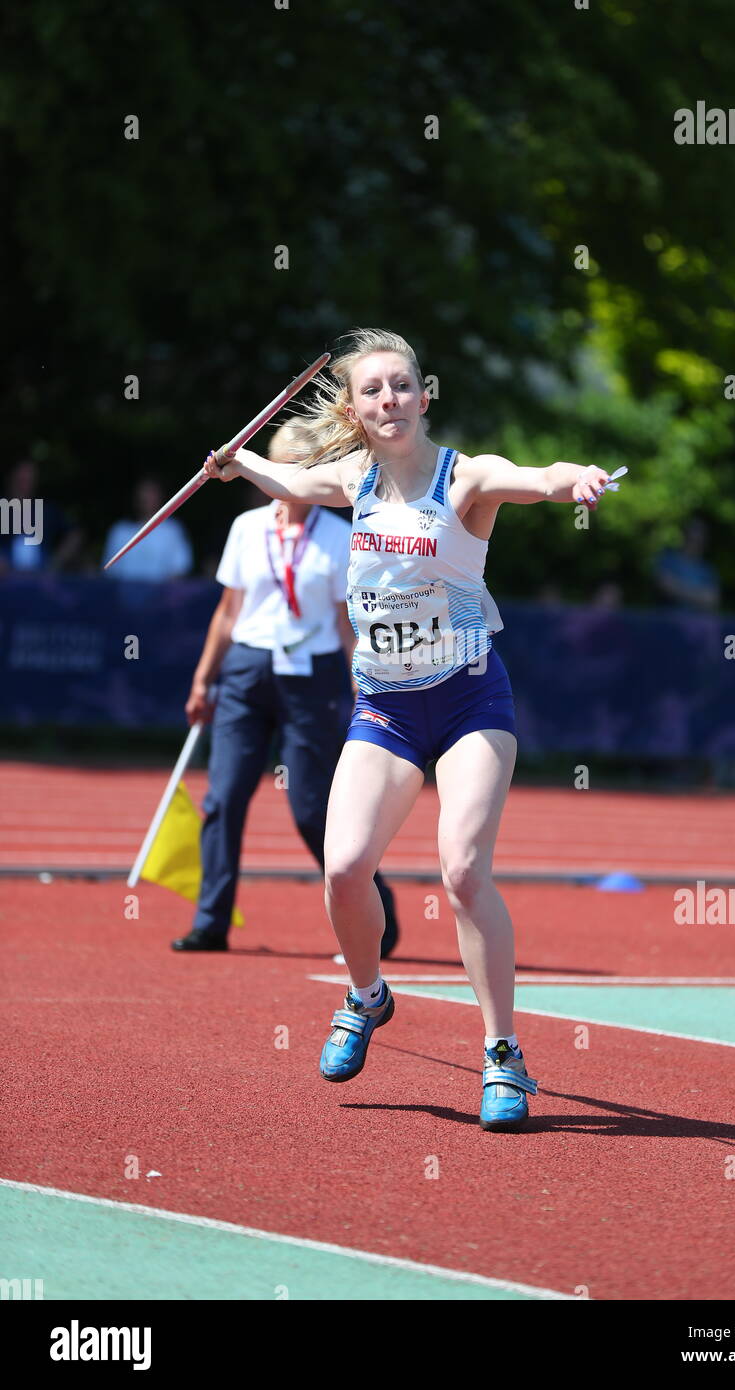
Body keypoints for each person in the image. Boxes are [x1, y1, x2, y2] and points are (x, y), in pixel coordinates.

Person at [203, 328, 610, 1131]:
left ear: (425, 396)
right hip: (385, 708)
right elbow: (295, 477)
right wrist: (237, 464)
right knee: (345, 866)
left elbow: (538, 476)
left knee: (461, 873)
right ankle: (367, 996)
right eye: (372, 391)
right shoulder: (353, 478)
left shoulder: (466, 481)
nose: (389, 400)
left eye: (402, 386)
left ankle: (503, 1055)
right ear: (356, 411)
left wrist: (579, 481)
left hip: (467, 704)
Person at [173, 421, 400, 956]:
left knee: (309, 806)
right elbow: (228, 613)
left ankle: (377, 911)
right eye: (285, 471)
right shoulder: (247, 529)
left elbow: (349, 626)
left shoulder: (341, 536)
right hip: (247, 674)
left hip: (312, 678)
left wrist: (363, 694)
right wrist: (204, 679)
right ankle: (211, 922)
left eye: (307, 471)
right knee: (224, 797)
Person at [0, 459, 84, 575]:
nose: (24, 485)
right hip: (6, 580)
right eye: (21, 480)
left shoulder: (47, 510)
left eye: (29, 480)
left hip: (42, 579)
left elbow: (75, 534)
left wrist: (57, 561)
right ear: (11, 479)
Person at [102, 476, 193, 579]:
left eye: (152, 492)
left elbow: (180, 570)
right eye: (144, 492)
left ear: (160, 496)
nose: (147, 497)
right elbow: (110, 573)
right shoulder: (119, 531)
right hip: (125, 593)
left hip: (161, 593)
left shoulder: (173, 530)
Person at [653, 515, 720, 611]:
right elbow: (665, 587)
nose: (696, 538)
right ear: (685, 534)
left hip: (697, 624)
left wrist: (678, 588)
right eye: (693, 533)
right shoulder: (668, 560)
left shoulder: (708, 569)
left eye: (701, 534)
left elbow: (713, 600)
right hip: (668, 623)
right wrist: (700, 595)